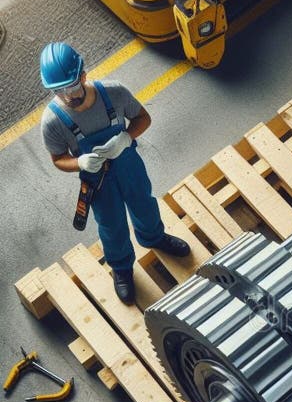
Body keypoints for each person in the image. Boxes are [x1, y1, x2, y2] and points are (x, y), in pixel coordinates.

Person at [39, 42, 189, 303]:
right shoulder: (52, 121)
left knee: (144, 204)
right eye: (58, 91)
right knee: (111, 223)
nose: (68, 96)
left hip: (128, 164)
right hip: (98, 179)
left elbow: (143, 118)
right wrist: (80, 162)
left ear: (83, 75)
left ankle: (154, 237)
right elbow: (58, 159)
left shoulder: (115, 93)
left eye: (72, 86)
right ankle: (121, 268)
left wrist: (126, 138)